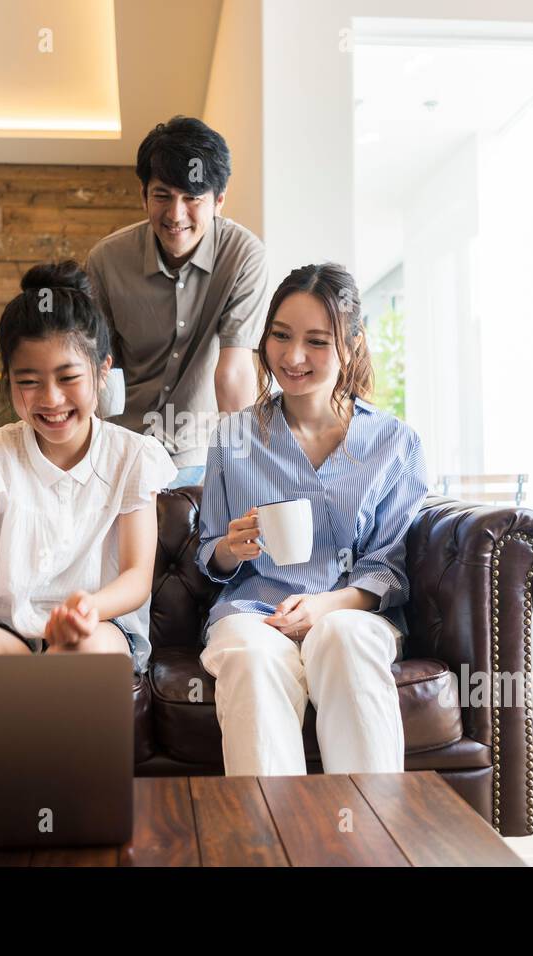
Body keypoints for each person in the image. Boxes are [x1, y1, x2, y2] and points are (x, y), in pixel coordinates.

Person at [196, 263, 429, 776]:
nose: (293, 356)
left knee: (340, 637)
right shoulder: (233, 435)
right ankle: (272, 843)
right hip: (258, 612)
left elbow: (389, 565)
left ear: (352, 345)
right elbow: (209, 549)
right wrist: (231, 548)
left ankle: (371, 833)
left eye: (317, 342)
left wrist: (327, 606)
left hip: (351, 612)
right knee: (252, 658)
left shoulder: (395, 443)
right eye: (280, 336)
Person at [0, 261, 176, 673]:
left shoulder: (134, 456)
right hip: (7, 627)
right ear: (8, 378)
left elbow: (138, 577)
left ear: (102, 370)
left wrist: (87, 608)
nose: (50, 399)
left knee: (75, 656)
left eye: (68, 377)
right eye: (28, 381)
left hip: (101, 625)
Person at [85, 116, 268, 488]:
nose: (175, 215)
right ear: (143, 196)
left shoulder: (243, 255)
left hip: (199, 458)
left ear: (219, 201)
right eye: (163, 196)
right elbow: (98, 370)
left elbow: (233, 372)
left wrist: (242, 473)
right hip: (123, 452)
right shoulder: (107, 260)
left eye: (192, 199)